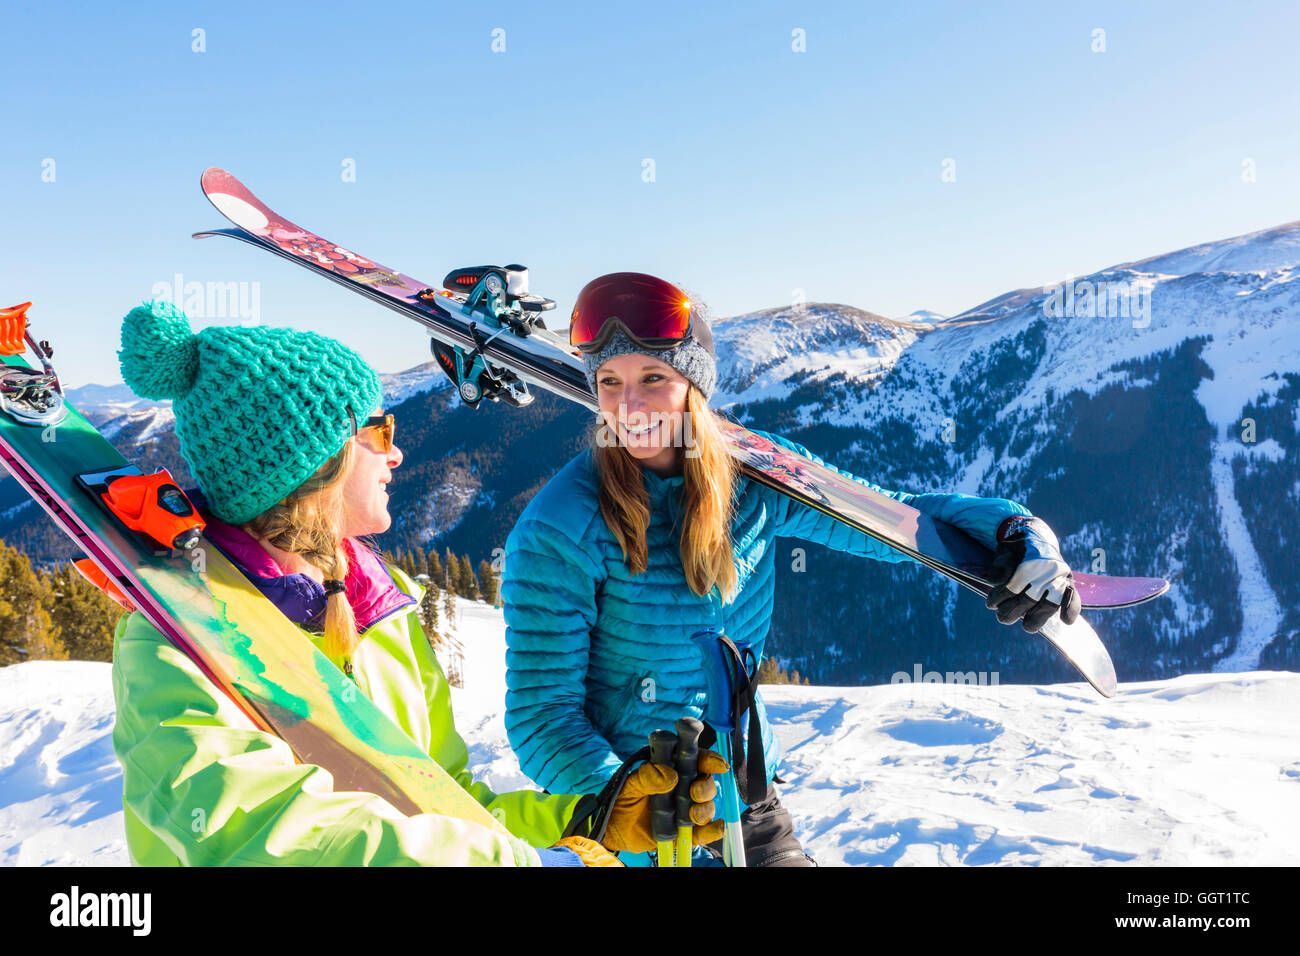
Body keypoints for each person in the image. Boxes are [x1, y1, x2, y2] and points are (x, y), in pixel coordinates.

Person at [108, 300, 724, 867]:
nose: (396, 453)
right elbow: (259, 833)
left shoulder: (381, 607)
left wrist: (592, 817)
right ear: (314, 465)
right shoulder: (171, 643)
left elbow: (444, 805)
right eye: (378, 433)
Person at [500, 273, 1081, 867]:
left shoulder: (758, 481)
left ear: (693, 387)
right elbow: (542, 713)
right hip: (627, 817)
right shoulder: (561, 528)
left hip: (747, 796)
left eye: (654, 378)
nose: (628, 407)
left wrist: (1011, 531)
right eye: (609, 383)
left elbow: (888, 520)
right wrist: (622, 799)